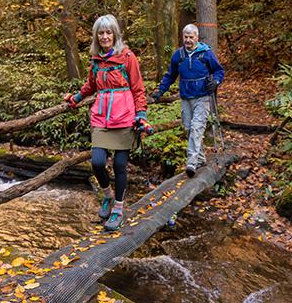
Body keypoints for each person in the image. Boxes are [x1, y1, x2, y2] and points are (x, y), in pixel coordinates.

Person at [64, 14, 148, 231]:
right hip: (101, 115)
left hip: (125, 115)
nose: (104, 36)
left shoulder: (128, 57)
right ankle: (107, 195)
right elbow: (91, 86)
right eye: (101, 33)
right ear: (96, 36)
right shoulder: (96, 60)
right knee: (97, 162)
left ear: (115, 34)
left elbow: (138, 88)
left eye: (108, 32)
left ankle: (118, 209)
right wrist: (76, 98)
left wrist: (142, 115)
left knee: (120, 165)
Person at [151, 24, 225, 177]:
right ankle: (201, 159)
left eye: (191, 37)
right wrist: (160, 91)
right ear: (182, 37)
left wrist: (216, 82)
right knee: (190, 128)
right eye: (186, 37)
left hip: (203, 96)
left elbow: (219, 70)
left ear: (197, 37)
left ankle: (191, 162)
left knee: (197, 127)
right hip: (186, 97)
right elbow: (170, 75)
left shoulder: (206, 54)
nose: (188, 40)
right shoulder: (178, 55)